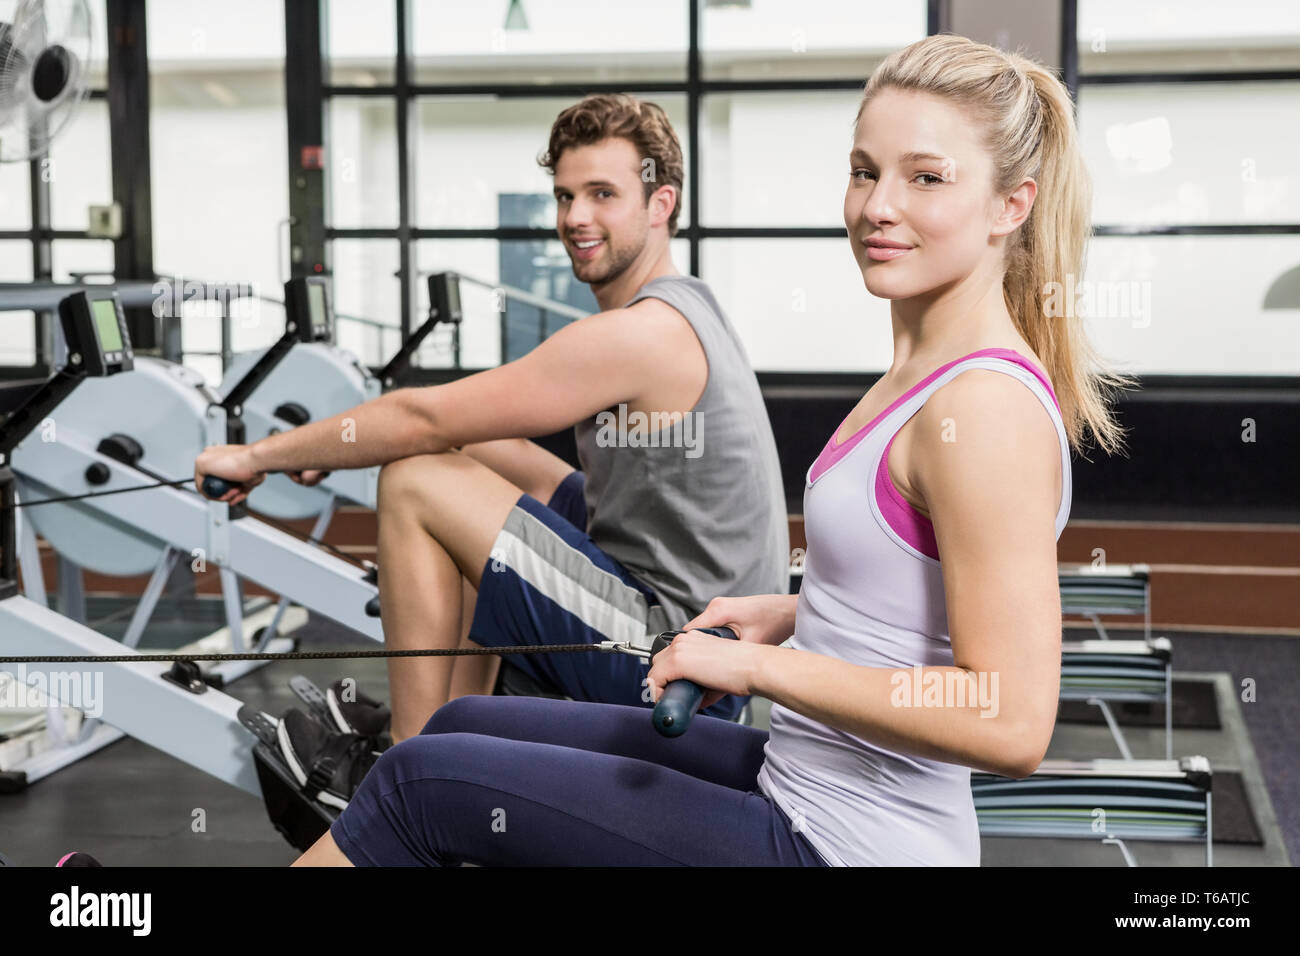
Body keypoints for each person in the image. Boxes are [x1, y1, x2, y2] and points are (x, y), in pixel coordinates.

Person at [289, 32, 1136, 867]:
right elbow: (919, 609)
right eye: (864, 171)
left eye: (927, 178)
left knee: (417, 784)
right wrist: (797, 615)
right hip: (802, 779)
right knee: (460, 725)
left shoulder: (980, 410)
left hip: (842, 842)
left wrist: (764, 668)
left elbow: (1009, 719)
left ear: (1011, 206)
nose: (880, 205)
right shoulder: (918, 374)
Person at [194, 94, 789, 748]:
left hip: (672, 657)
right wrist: (334, 446)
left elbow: (420, 415)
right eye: (565, 197)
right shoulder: (685, 305)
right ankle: (460, 725)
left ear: (660, 204)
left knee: (415, 479)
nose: (576, 217)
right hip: (686, 623)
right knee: (476, 448)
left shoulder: (641, 333)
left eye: (602, 194)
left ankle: (408, 767)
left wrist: (256, 457)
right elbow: (452, 425)